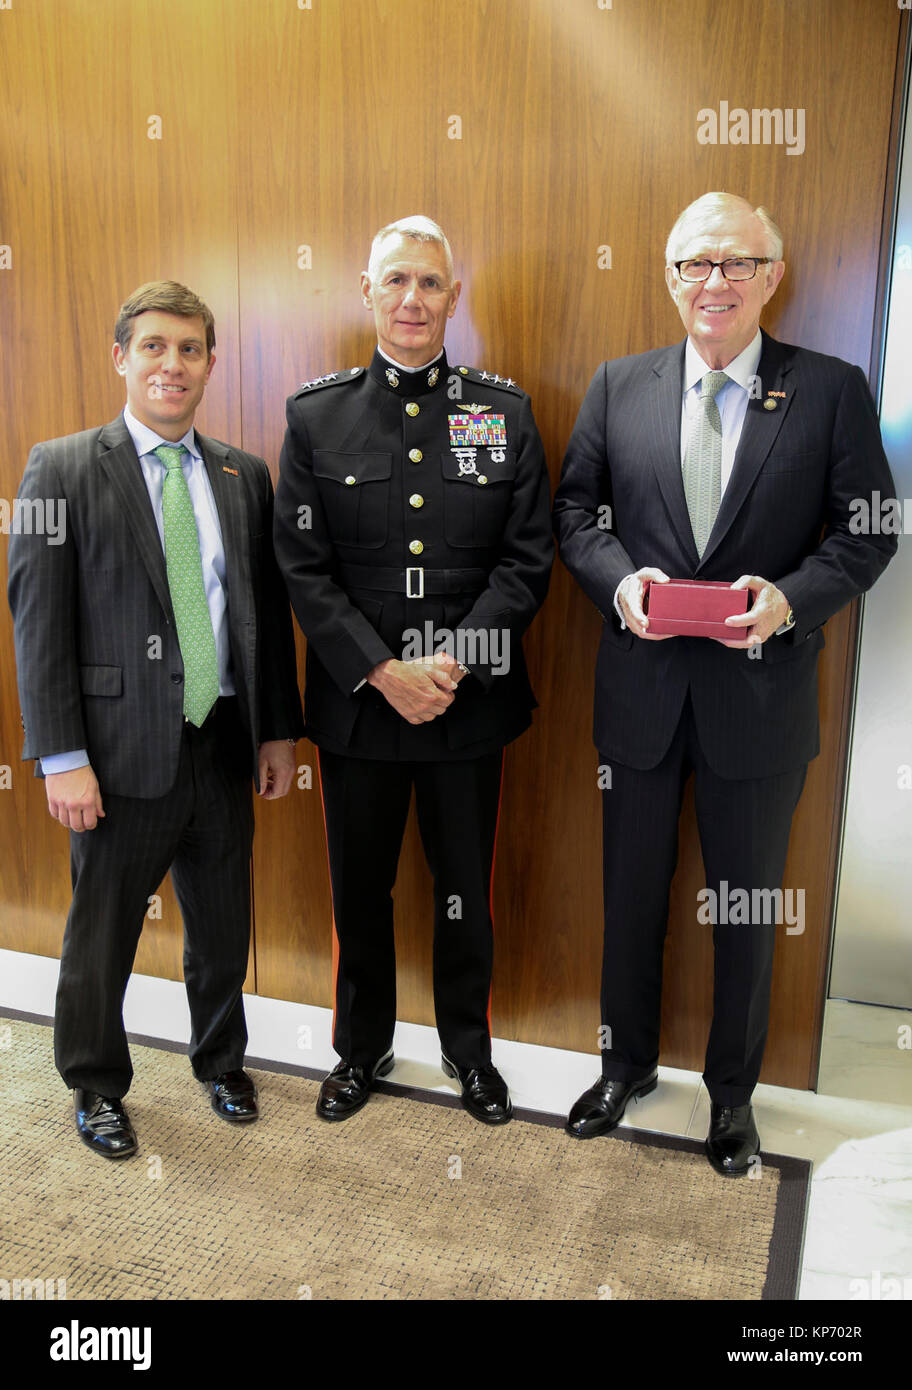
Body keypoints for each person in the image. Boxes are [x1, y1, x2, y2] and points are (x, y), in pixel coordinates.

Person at [553, 193, 897, 1174]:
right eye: (694, 263)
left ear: (771, 276)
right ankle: (624, 1068)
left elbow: (870, 527)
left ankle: (733, 1095)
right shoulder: (618, 385)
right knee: (631, 897)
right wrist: (620, 584)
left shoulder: (829, 389)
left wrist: (790, 600)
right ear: (669, 277)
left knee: (746, 908)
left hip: (762, 701)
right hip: (642, 698)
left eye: (736, 263)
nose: (714, 281)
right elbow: (574, 513)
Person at [7, 281, 303, 1159]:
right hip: (114, 754)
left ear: (210, 363)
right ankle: (95, 1085)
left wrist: (277, 731)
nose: (172, 364)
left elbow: (263, 614)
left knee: (222, 925)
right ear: (121, 358)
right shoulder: (60, 467)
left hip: (222, 742)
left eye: (189, 349)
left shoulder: (243, 475)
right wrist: (61, 756)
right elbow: (37, 625)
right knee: (102, 935)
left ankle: (221, 1063)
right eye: (154, 347)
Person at [274, 216, 552, 1125]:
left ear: (453, 298)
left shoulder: (502, 413)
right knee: (360, 890)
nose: (412, 299)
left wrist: (452, 665)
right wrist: (381, 670)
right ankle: (360, 1051)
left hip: (468, 709)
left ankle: (469, 1052)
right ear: (367, 291)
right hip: (360, 709)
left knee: (466, 889)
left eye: (430, 283)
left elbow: (526, 561)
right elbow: (303, 567)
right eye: (395, 280)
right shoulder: (317, 416)